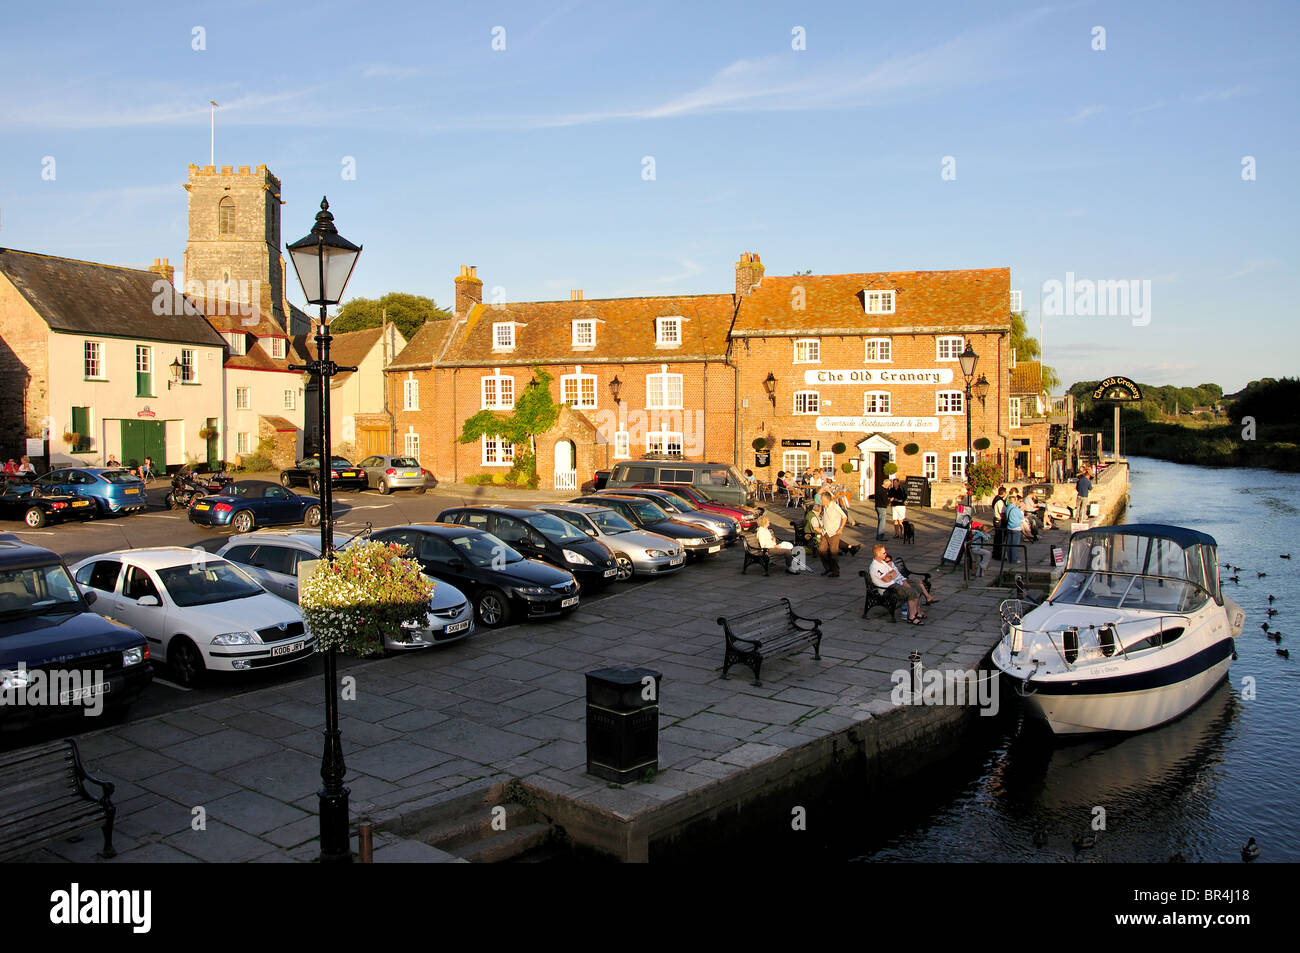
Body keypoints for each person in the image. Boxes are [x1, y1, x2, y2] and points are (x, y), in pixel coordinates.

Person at [870, 544, 925, 625]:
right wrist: (891, 575)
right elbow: (886, 579)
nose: (886, 554)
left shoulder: (882, 562)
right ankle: (911, 617)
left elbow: (894, 572)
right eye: (884, 553)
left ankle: (916, 612)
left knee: (918, 587)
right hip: (887, 589)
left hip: (893, 583)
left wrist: (890, 575)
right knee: (911, 592)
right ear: (878, 554)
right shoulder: (875, 566)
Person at [818, 490, 846, 577]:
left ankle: (835, 571)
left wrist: (840, 528)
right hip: (825, 532)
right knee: (822, 550)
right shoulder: (825, 506)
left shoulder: (835, 507)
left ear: (827, 500)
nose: (821, 501)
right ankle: (828, 568)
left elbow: (844, 517)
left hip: (833, 533)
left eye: (822, 500)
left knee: (833, 553)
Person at [1004, 493, 1025, 563]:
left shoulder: (1007, 508)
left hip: (1009, 527)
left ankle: (1009, 558)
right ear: (1014, 501)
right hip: (1016, 528)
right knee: (1015, 545)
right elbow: (1022, 518)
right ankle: (1014, 559)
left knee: (1009, 544)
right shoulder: (1016, 509)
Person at [991, 486, 1007, 560]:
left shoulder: (996, 498)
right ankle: (998, 555)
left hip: (996, 519)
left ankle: (995, 554)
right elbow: (1002, 512)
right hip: (999, 520)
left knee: (997, 538)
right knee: (999, 538)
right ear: (1004, 493)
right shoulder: (1000, 501)